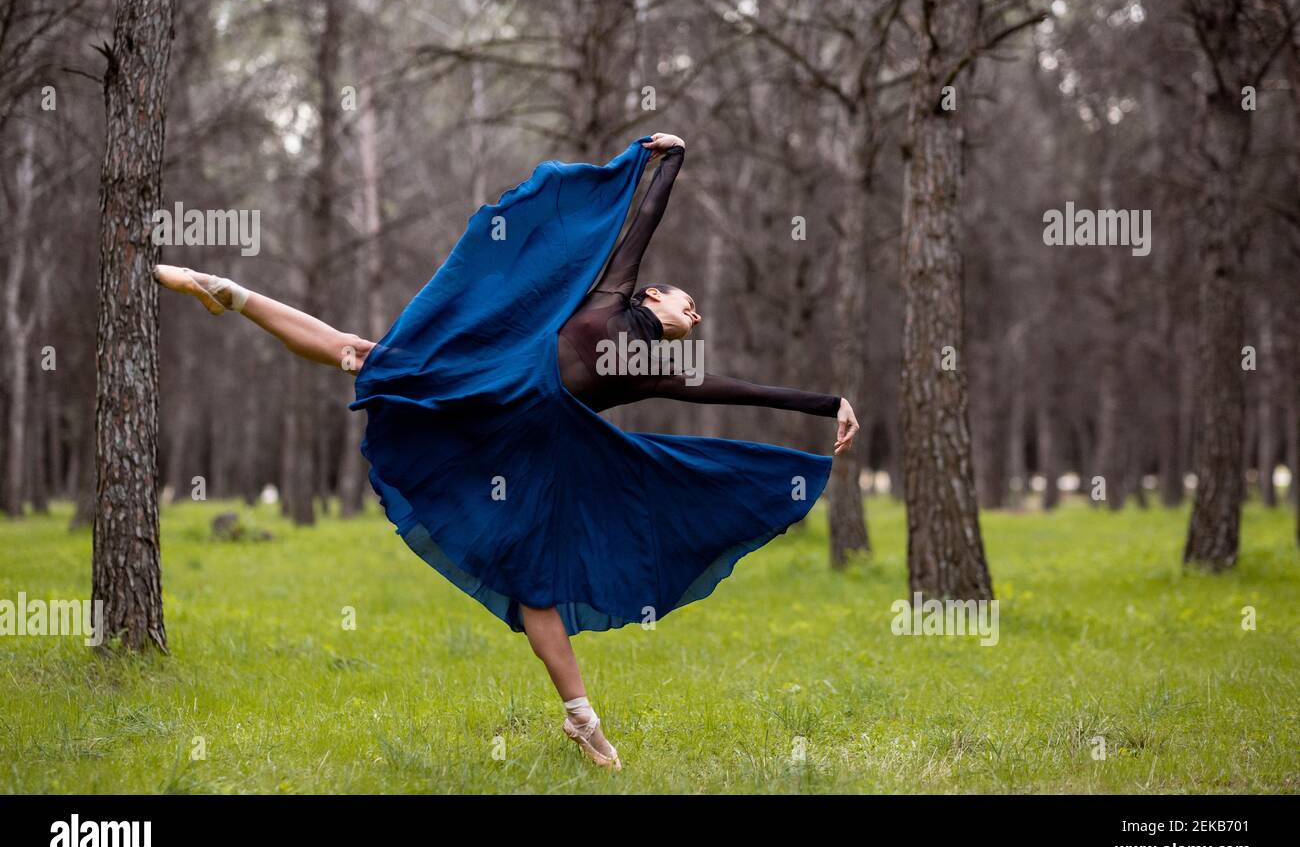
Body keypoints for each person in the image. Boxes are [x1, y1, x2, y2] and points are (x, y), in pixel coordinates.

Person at [154, 132, 859, 771]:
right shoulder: (616, 297)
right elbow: (639, 224)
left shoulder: (650, 363)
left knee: (368, 362)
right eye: (688, 305)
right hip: (509, 395)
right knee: (363, 357)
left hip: (514, 426)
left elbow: (726, 390)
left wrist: (823, 403)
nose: (695, 315)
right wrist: (664, 160)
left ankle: (580, 715)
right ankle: (233, 293)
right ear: (652, 294)